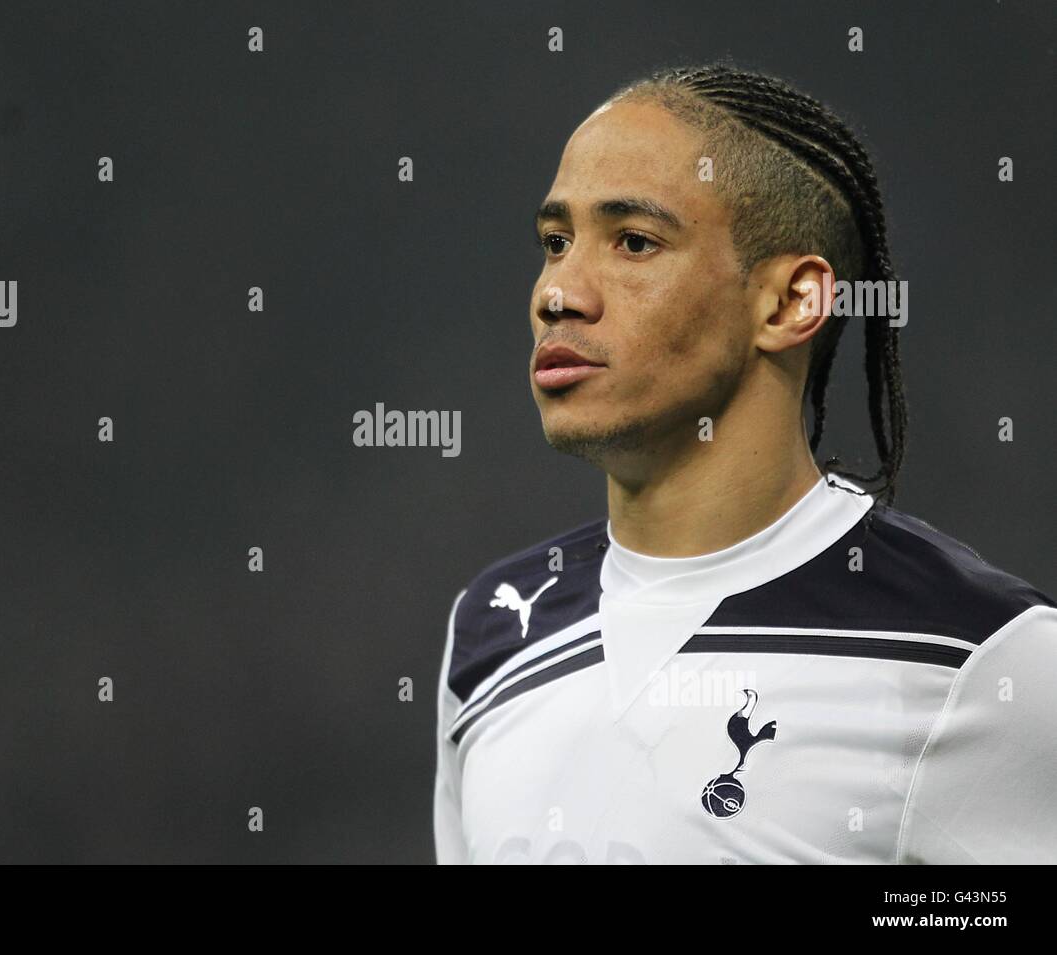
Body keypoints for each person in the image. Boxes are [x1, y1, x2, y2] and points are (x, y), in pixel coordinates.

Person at [433, 63, 1057, 864]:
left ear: (792, 301)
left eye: (633, 241)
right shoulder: (493, 629)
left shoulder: (980, 658)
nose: (559, 292)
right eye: (556, 242)